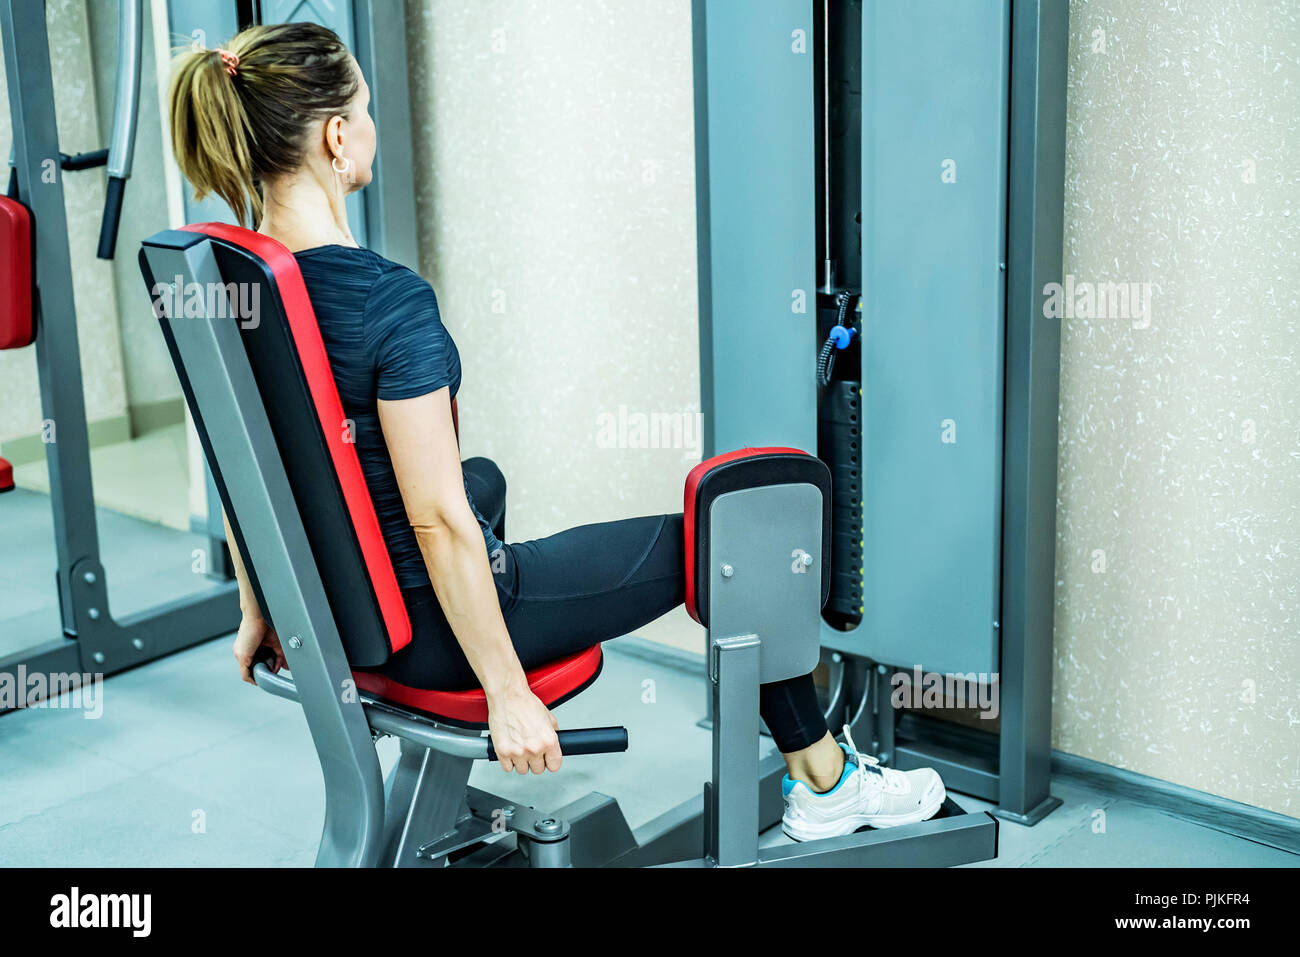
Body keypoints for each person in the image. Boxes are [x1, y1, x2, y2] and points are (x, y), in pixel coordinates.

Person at [168, 22, 945, 840]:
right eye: (361, 109)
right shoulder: (386, 301)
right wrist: (507, 692)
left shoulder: (234, 281)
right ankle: (826, 780)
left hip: (336, 611)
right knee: (733, 538)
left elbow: (240, 461)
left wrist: (262, 603)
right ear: (334, 135)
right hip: (422, 636)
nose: (368, 126)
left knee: (484, 478)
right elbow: (433, 521)